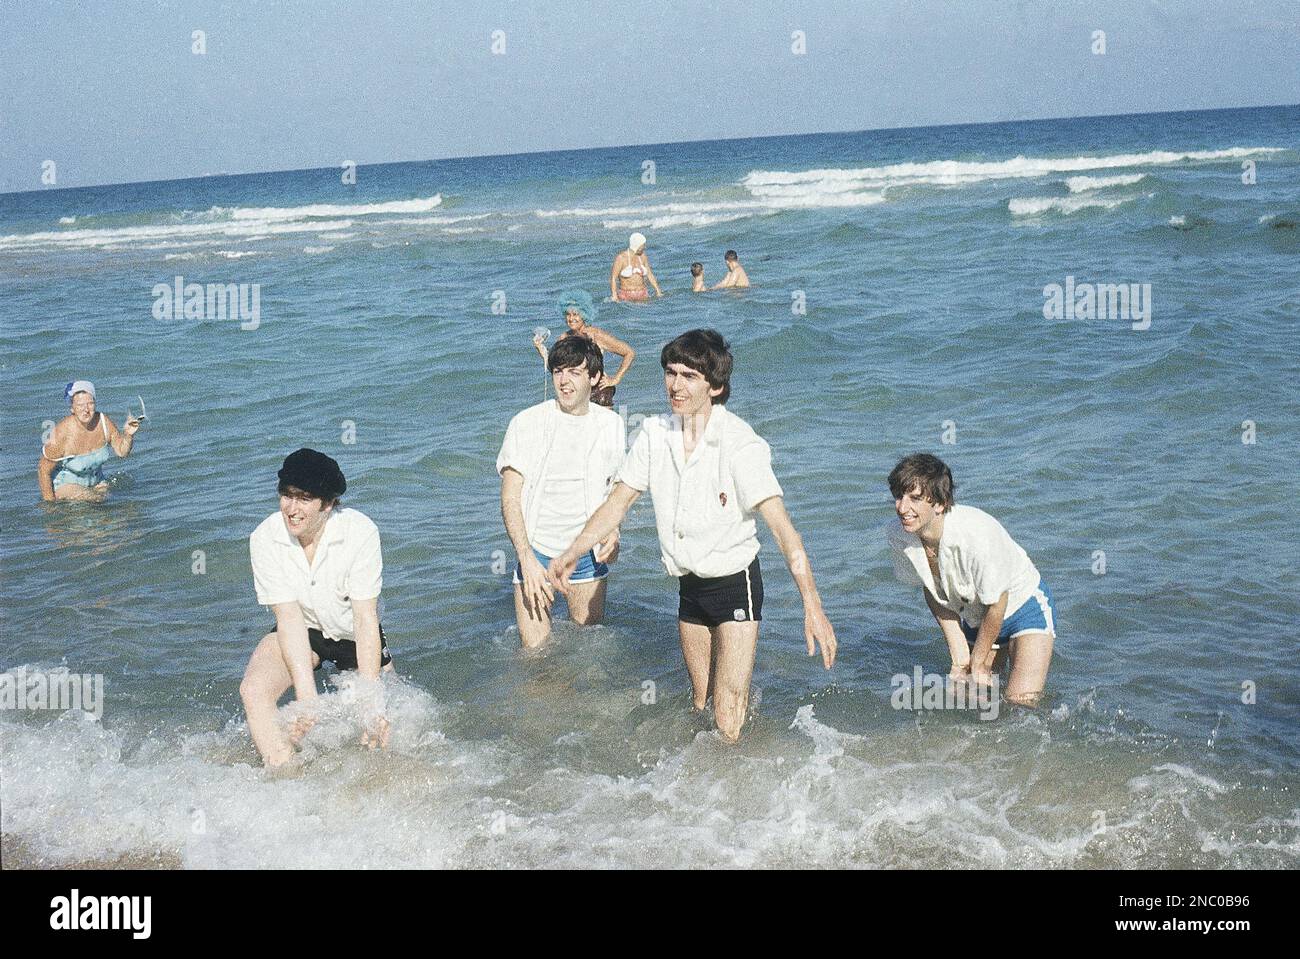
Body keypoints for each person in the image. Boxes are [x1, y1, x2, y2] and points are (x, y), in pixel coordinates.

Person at [548, 329, 837, 741]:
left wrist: (813, 606)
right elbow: (619, 502)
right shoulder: (654, 433)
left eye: (688, 376)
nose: (675, 385)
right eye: (670, 373)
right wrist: (572, 552)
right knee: (701, 702)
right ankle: (704, 792)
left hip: (736, 585)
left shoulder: (740, 444)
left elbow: (782, 529)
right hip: (689, 588)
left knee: (727, 712)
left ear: (715, 386)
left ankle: (743, 783)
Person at [241, 448, 393, 767]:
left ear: (328, 504)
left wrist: (370, 698)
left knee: (384, 718)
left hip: (353, 631)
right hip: (304, 628)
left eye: (304, 499)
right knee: (253, 690)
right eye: (286, 496)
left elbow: (366, 619)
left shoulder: (360, 533)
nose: (292, 509)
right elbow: (289, 618)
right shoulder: (265, 538)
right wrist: (307, 699)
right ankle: (284, 773)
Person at [886, 453, 1056, 706]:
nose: (902, 508)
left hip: (1023, 609)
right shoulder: (899, 535)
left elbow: (998, 602)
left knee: (1020, 704)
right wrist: (960, 656)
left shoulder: (975, 535)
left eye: (915, 498)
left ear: (940, 504)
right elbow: (931, 590)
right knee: (970, 702)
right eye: (899, 496)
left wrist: (978, 661)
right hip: (977, 617)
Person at [502, 336, 626, 648]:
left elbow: (615, 489)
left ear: (595, 377)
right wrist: (526, 558)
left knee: (588, 649)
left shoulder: (611, 424)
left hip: (586, 553)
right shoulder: (526, 422)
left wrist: (614, 531)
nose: (564, 381)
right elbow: (510, 497)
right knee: (534, 657)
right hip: (537, 550)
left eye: (574, 372)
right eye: (558, 372)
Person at [38, 380, 141, 502]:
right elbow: (42, 470)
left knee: (118, 508)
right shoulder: (61, 434)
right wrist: (50, 507)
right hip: (66, 486)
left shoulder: (103, 423)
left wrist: (128, 434)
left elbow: (122, 452)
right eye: (80, 405)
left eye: (90, 403)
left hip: (96, 483)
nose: (86, 409)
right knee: (96, 501)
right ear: (72, 408)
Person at [533, 290, 635, 408]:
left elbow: (629, 353)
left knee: (604, 425)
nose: (571, 318)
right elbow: (556, 366)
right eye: (568, 314)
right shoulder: (564, 338)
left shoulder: (596, 335)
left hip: (599, 391)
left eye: (575, 314)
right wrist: (541, 348)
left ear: (584, 314)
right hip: (576, 392)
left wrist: (615, 379)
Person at [609, 232, 662, 301]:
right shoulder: (621, 258)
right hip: (625, 296)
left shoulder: (643, 256)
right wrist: (614, 295)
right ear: (637, 245)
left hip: (643, 294)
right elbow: (613, 278)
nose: (645, 247)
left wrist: (658, 290)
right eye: (643, 245)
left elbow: (650, 274)